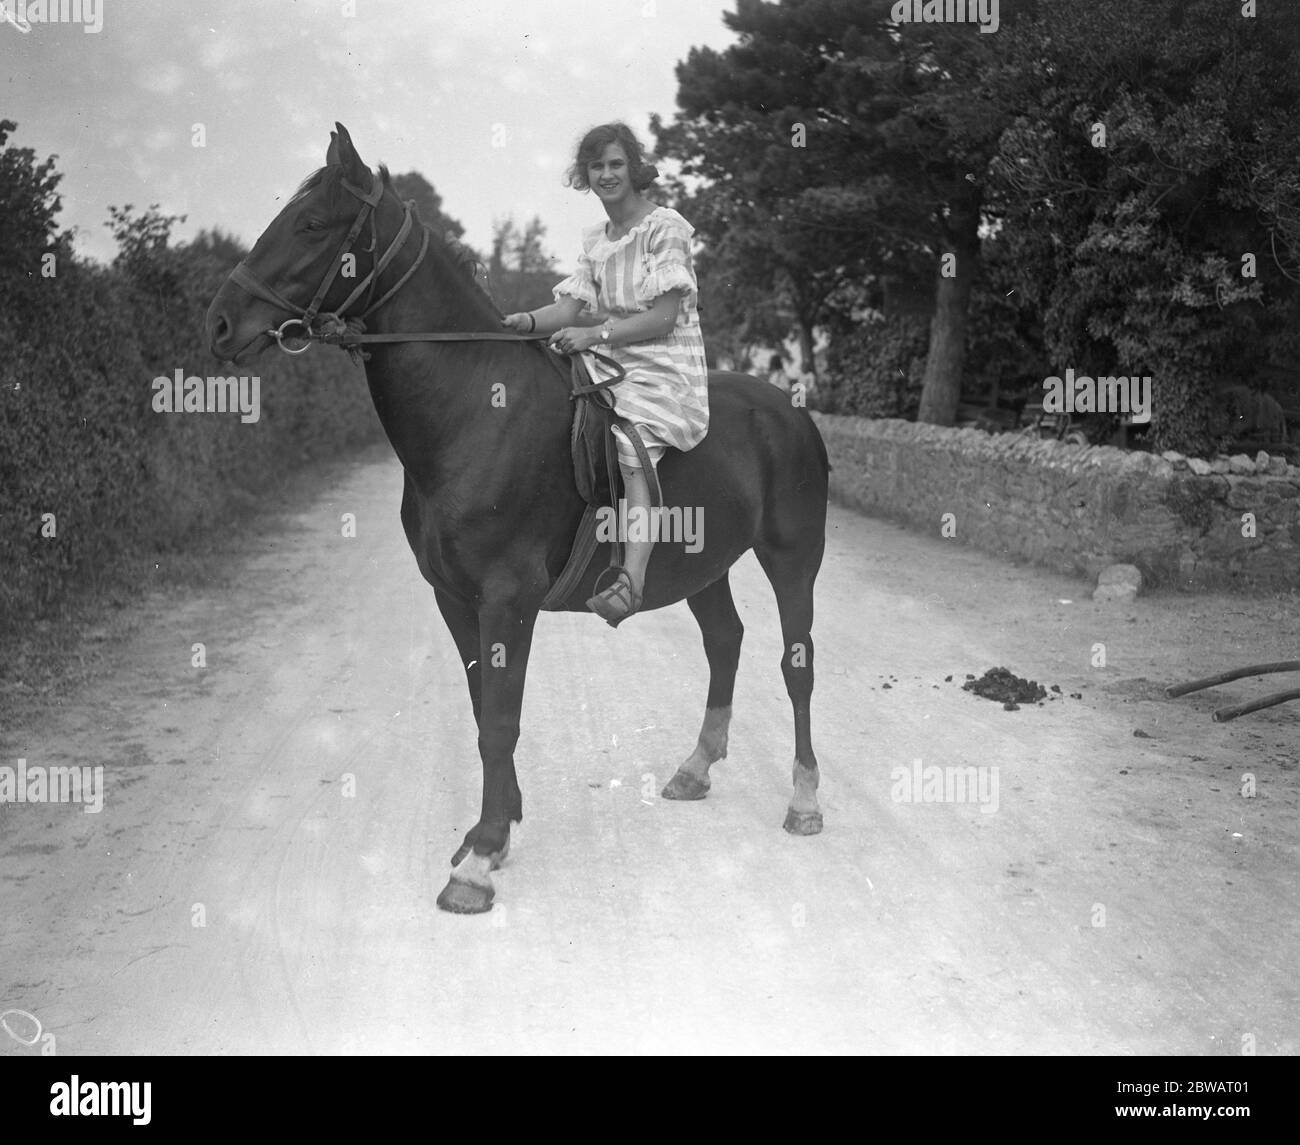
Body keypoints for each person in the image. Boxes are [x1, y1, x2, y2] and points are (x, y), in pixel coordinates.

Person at [503, 123, 709, 626]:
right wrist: (520, 323)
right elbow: (571, 308)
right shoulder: (598, 238)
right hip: (613, 359)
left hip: (665, 364)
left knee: (630, 447)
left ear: (633, 168)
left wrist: (594, 337)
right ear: (586, 176)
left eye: (616, 164)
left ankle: (630, 580)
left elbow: (663, 318)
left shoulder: (667, 227)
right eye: (597, 166)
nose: (606, 174)